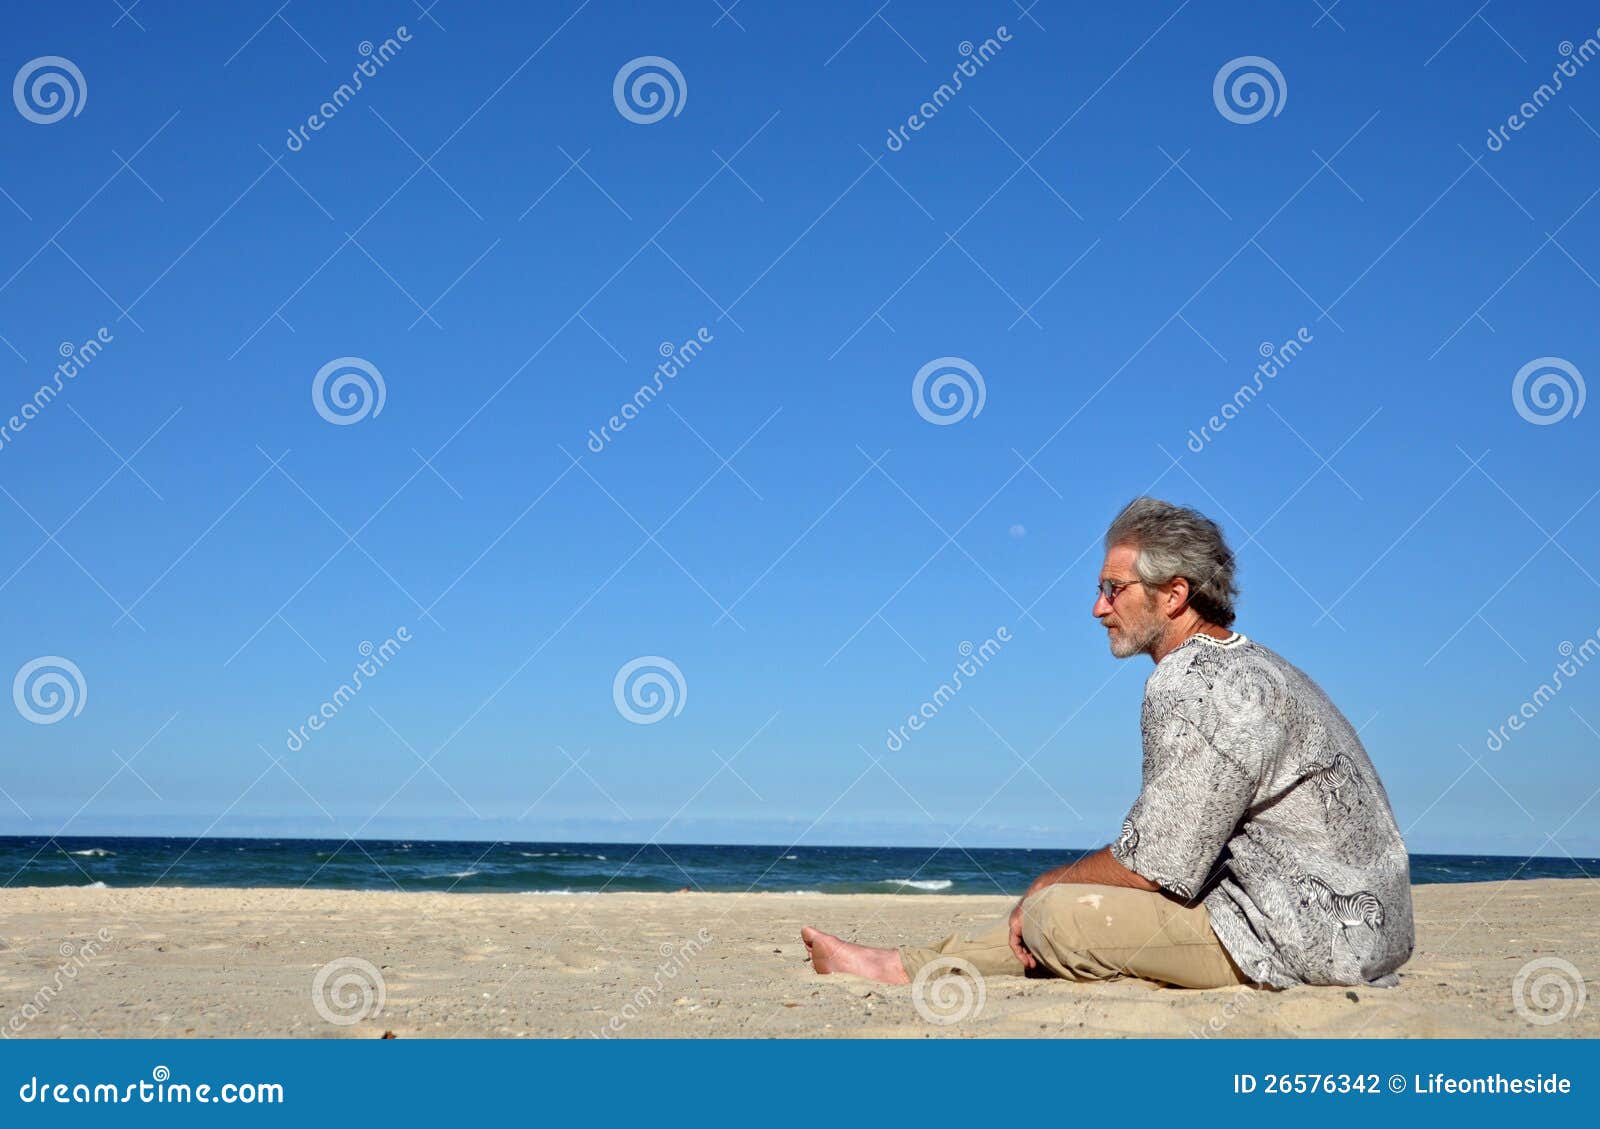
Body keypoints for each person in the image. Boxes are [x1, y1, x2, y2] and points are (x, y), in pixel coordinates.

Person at [802, 497, 1414, 992]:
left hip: (1300, 941)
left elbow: (1158, 864)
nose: (1098, 608)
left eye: (1113, 588)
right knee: (1066, 904)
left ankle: (902, 966)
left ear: (1173, 596)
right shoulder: (1262, 668)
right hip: (1365, 936)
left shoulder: (1194, 682)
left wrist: (1048, 884)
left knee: (1054, 914)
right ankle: (901, 964)